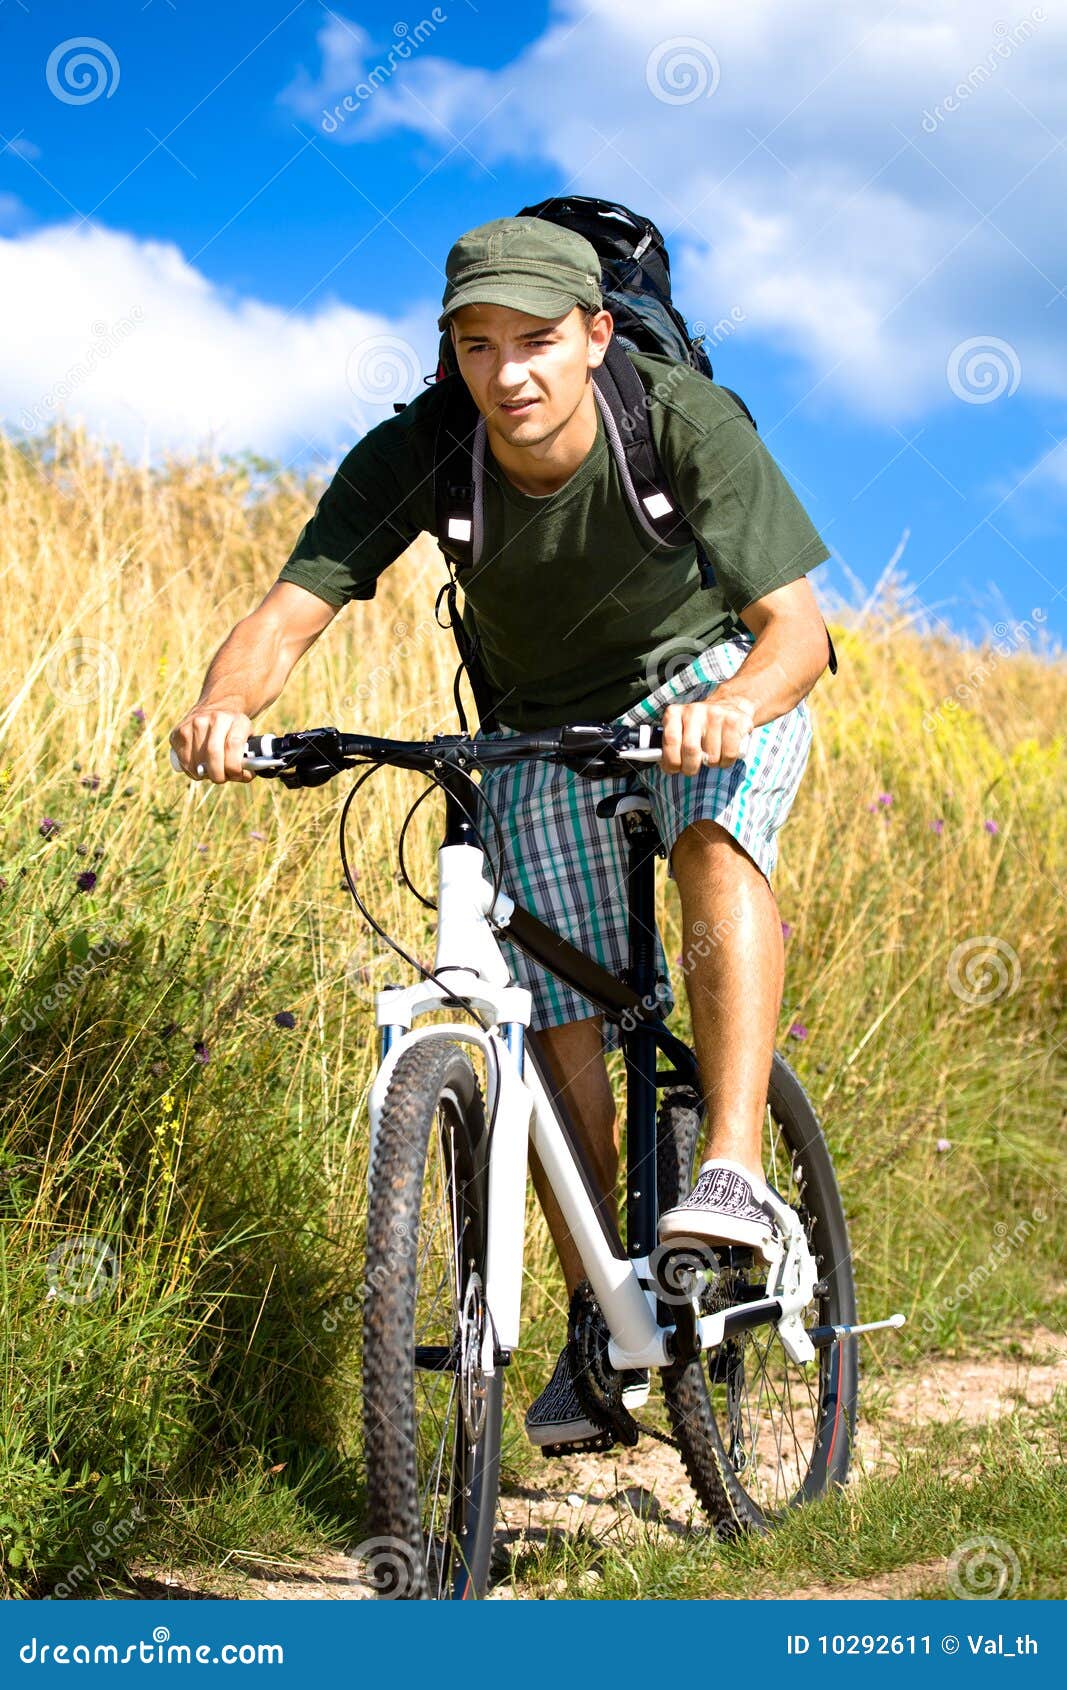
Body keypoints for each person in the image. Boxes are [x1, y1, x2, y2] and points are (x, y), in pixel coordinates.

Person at [170, 214, 834, 1452]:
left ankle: (734, 1166)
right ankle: (600, 1318)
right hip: (536, 727)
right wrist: (223, 708)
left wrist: (733, 708)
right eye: (477, 346)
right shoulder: (426, 447)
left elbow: (793, 630)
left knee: (709, 840)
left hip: (706, 684)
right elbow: (289, 612)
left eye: (535, 342)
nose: (508, 374)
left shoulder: (680, 421)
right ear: (450, 353)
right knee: (546, 1014)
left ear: (594, 335)